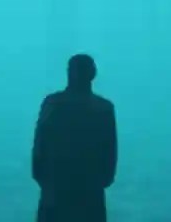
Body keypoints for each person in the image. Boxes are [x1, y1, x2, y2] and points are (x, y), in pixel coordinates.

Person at [32, 54, 118, 222]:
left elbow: (39, 147)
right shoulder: (102, 108)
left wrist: (44, 180)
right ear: (93, 74)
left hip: (56, 189)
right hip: (89, 190)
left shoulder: (53, 104)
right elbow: (110, 153)